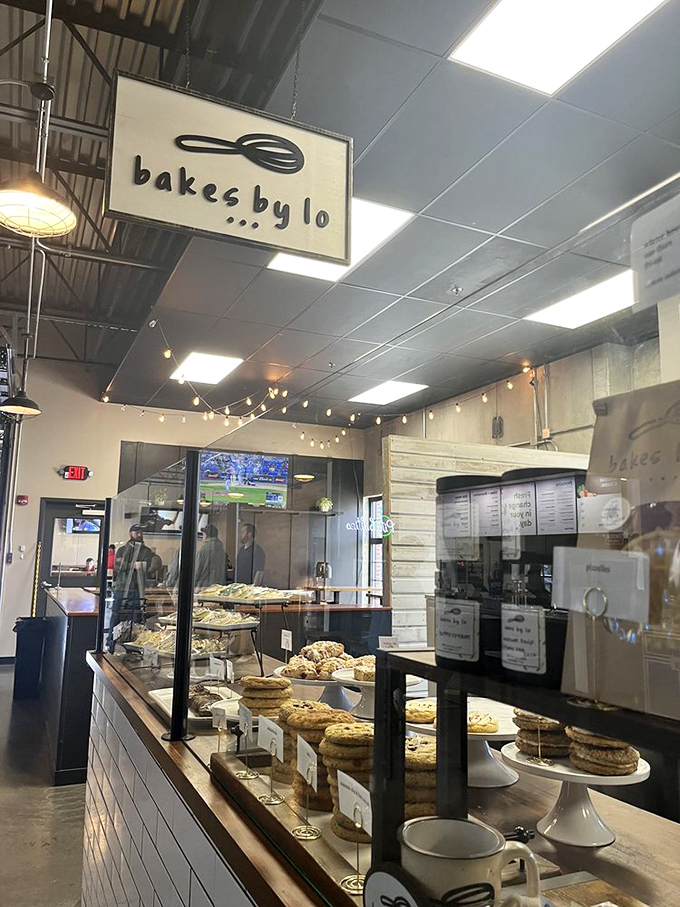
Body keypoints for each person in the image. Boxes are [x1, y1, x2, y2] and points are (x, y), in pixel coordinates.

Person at [107, 524, 156, 651]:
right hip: (122, 588)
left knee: (136, 618)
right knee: (117, 615)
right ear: (130, 533)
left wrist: (133, 565)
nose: (139, 535)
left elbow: (149, 567)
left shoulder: (146, 551)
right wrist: (133, 565)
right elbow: (118, 567)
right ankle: (111, 642)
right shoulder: (122, 550)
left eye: (140, 532)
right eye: (136, 532)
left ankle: (134, 646)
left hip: (137, 589)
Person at [194, 524, 229, 588]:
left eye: (203, 535)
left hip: (204, 588)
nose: (203, 537)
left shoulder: (203, 550)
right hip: (219, 588)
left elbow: (196, 572)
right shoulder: (222, 551)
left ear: (207, 535)